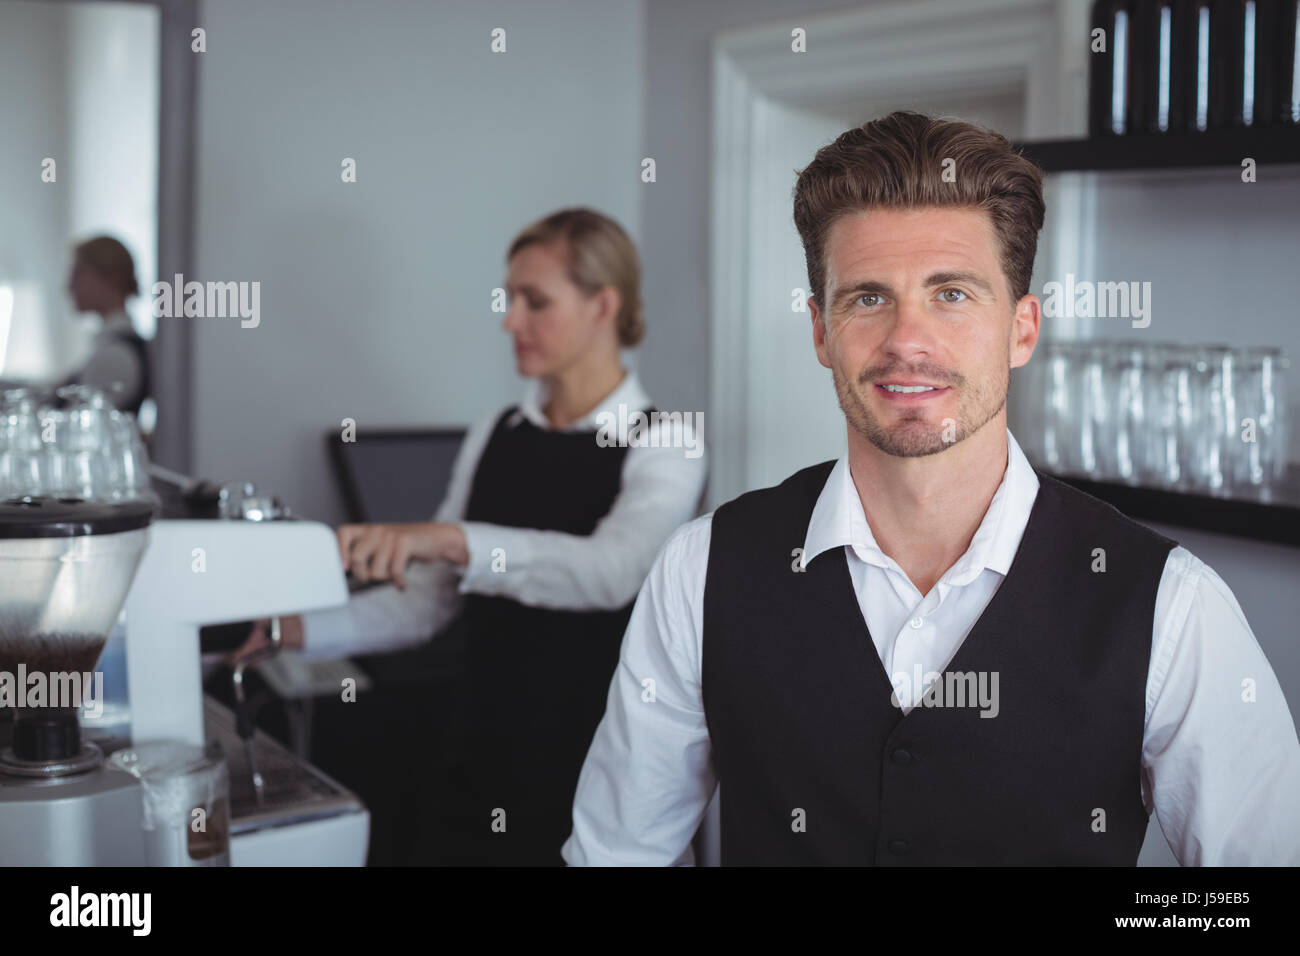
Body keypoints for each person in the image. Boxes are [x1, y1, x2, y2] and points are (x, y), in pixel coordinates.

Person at [562, 111, 1300, 866]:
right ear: (820, 331)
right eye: (868, 298)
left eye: (951, 294)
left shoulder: (1171, 603)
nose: (906, 341)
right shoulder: (701, 569)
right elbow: (617, 855)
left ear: (1022, 329)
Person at [234, 208, 706, 865]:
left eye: (535, 301)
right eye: (510, 299)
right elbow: (426, 603)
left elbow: (611, 572)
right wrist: (284, 631)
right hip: (480, 763)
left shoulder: (668, 441)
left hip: (601, 772)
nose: (510, 321)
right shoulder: (495, 432)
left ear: (603, 306)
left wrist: (449, 539)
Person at [64, 236, 152, 416]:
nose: (69, 286)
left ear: (112, 278)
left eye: (79, 275)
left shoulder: (117, 354)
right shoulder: (112, 344)